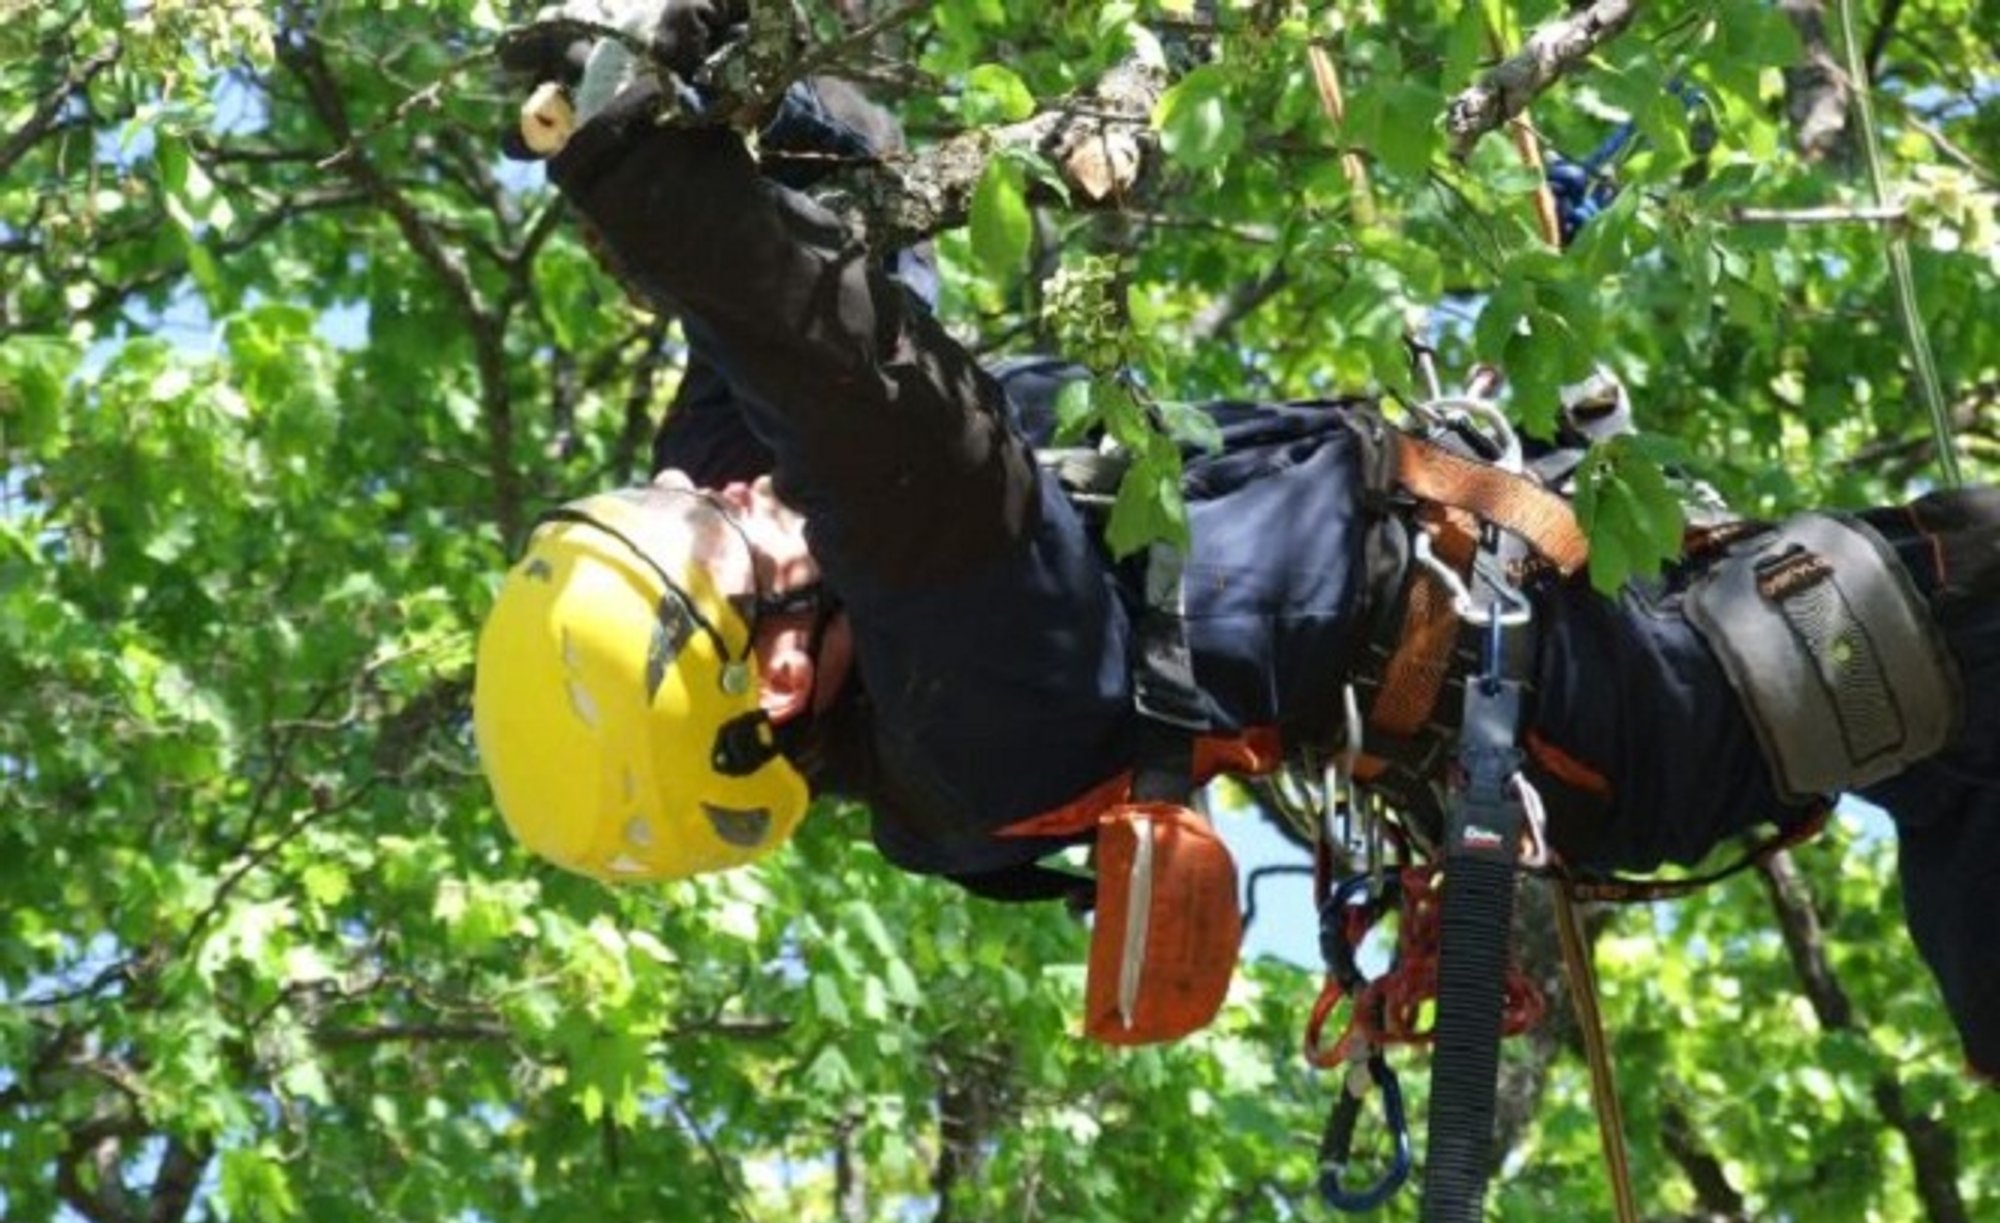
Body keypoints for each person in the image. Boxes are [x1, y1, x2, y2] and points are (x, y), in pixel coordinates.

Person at [474, 10, 2000, 1079]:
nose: (721, 490)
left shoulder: (779, 566)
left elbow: (815, 238)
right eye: (704, 524)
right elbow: (850, 383)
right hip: (1630, 707)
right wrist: (619, 159)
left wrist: (675, 82)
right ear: (787, 671)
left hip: (1561, 612)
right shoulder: (973, 703)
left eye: (673, 491)